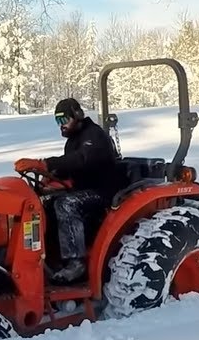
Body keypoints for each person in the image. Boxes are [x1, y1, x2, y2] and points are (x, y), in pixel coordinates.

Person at [14, 98, 125, 283]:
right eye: (57, 121)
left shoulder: (94, 136)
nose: (61, 126)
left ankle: (76, 263)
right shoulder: (74, 140)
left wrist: (46, 163)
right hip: (82, 187)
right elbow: (70, 165)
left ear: (78, 115)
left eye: (64, 120)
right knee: (42, 203)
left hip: (103, 191)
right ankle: (48, 258)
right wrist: (47, 175)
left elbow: (82, 159)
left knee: (66, 205)